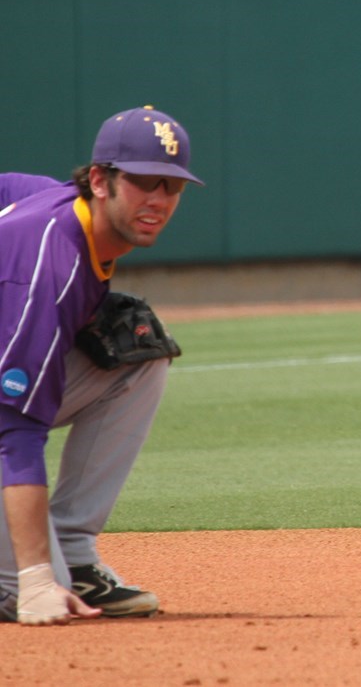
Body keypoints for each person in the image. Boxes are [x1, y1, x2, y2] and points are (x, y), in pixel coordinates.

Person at [0, 106, 202, 626]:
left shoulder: (54, 199)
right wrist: (36, 580)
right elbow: (15, 428)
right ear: (100, 180)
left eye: (171, 185)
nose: (157, 198)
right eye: (140, 181)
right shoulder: (53, 271)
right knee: (31, 591)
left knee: (136, 357)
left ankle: (75, 547)